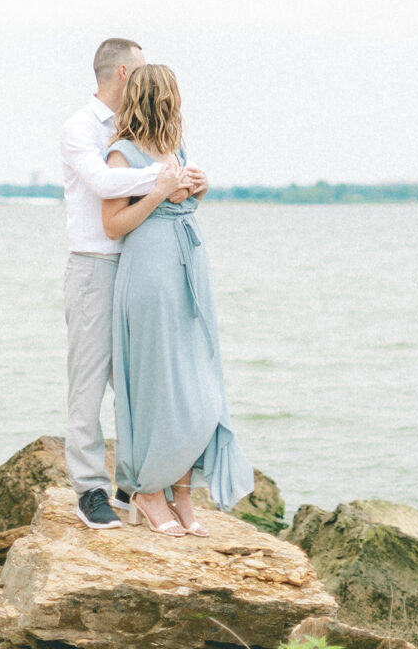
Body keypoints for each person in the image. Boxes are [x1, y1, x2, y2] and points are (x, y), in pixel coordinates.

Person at [102, 63, 253, 537]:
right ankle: (148, 491)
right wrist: (160, 190)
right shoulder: (120, 155)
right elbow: (115, 226)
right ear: (158, 99)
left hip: (188, 272)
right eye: (172, 97)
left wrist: (195, 191)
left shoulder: (175, 149)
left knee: (196, 381)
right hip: (148, 275)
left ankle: (182, 492)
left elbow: (177, 207)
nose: (177, 105)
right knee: (157, 383)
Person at [60, 37, 190, 529]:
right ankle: (89, 488)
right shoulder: (80, 128)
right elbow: (102, 185)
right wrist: (163, 178)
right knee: (89, 382)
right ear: (122, 74)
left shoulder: (132, 130)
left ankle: (132, 481)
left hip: (138, 265)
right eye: (140, 68)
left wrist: (185, 180)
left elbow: (157, 182)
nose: (147, 74)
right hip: (95, 266)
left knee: (136, 381)